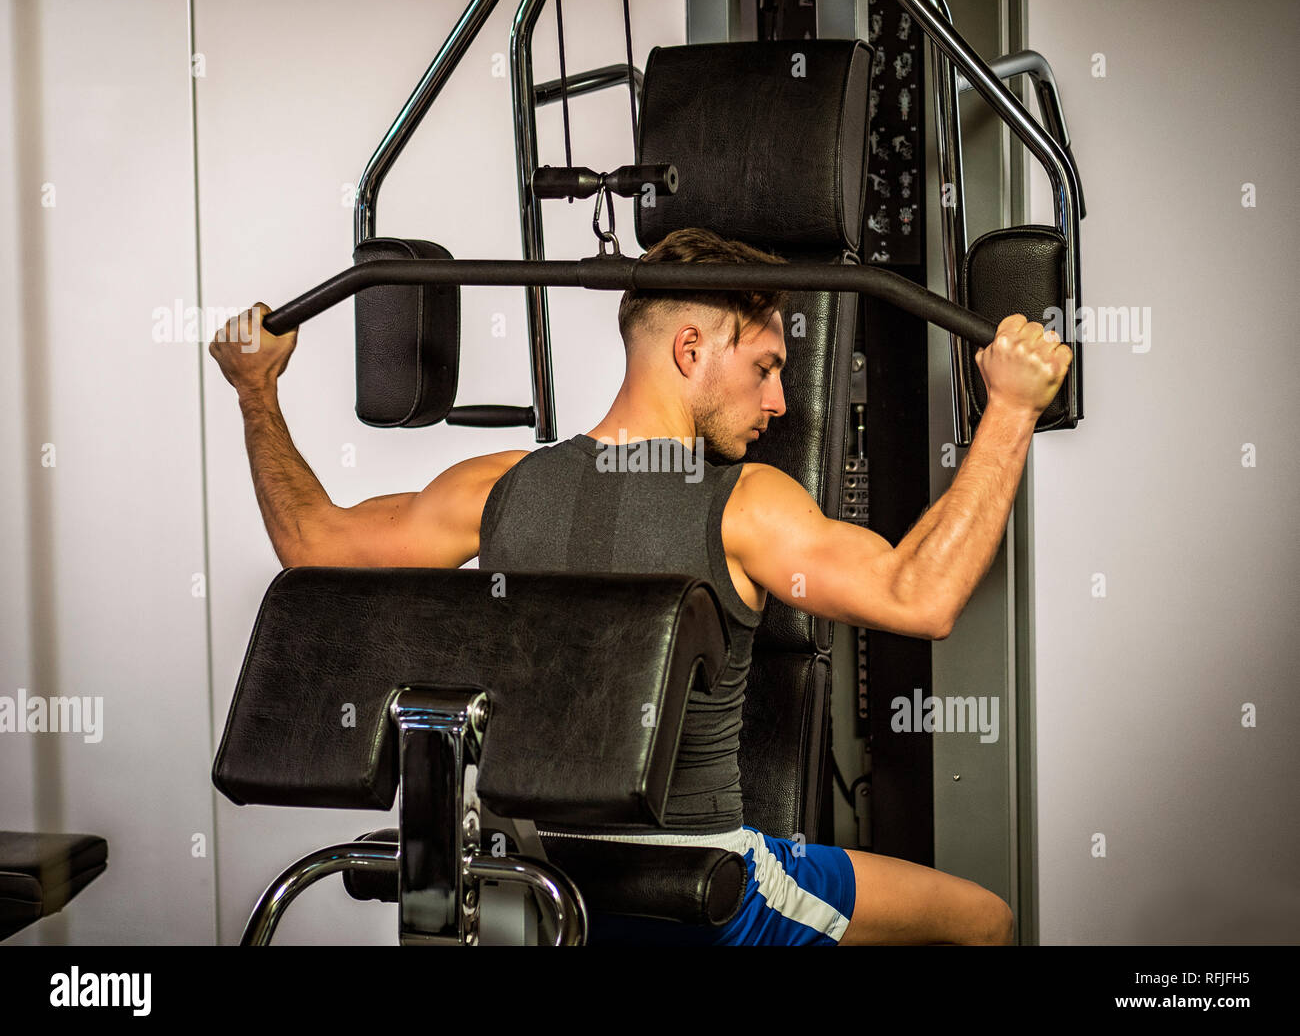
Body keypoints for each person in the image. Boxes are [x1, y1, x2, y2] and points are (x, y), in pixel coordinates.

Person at [210, 226, 1071, 946]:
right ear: (690, 349)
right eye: (767, 367)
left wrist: (257, 392)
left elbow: (311, 542)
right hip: (706, 887)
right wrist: (1012, 410)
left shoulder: (497, 485)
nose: (778, 402)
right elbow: (922, 595)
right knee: (985, 920)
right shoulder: (744, 504)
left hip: (537, 887)